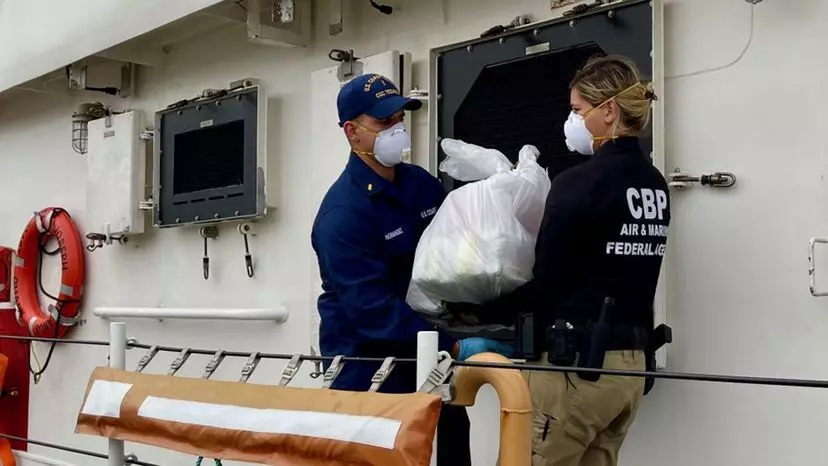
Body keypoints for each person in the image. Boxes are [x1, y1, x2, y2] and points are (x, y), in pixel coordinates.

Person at [311, 73, 512, 465]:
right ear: (353, 132)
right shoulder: (343, 214)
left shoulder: (418, 184)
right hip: (369, 369)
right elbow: (372, 310)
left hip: (432, 358)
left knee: (452, 446)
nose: (397, 130)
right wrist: (453, 345)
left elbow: (457, 250)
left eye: (400, 119)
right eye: (384, 123)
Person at [477, 55, 670, 466]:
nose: (571, 120)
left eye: (577, 110)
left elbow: (547, 284)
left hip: (574, 370)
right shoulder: (655, 186)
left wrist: (475, 312)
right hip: (628, 372)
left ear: (609, 111)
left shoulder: (577, 185)